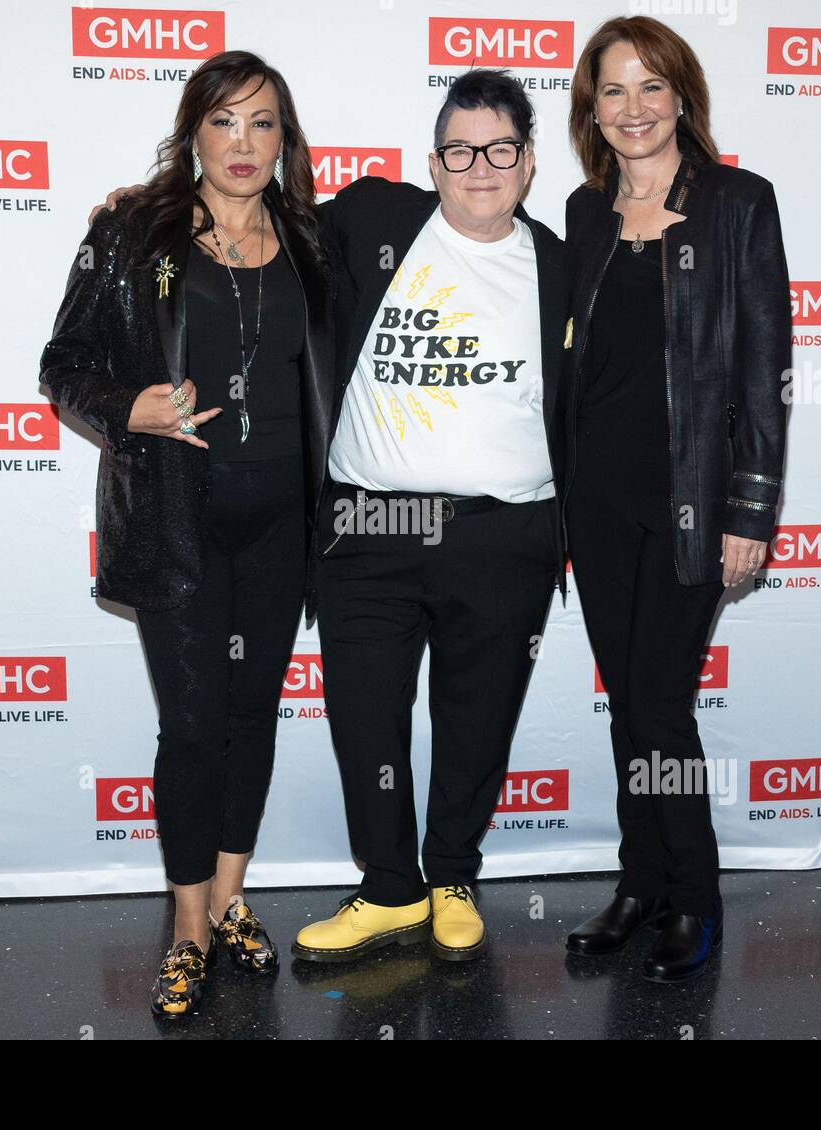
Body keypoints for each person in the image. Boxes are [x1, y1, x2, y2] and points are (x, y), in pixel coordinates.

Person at [40, 50, 334, 1019]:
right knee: (192, 723)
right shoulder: (137, 230)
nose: (244, 143)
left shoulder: (308, 235)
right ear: (193, 131)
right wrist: (133, 406)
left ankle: (231, 895)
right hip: (178, 519)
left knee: (252, 717)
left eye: (263, 123)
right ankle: (185, 926)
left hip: (282, 523)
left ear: (283, 139)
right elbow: (64, 359)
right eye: (224, 121)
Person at [289, 69, 571, 963]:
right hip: (369, 529)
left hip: (505, 534)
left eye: (499, 150)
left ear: (528, 164)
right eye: (459, 149)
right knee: (365, 719)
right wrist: (154, 211)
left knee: (476, 714)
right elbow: (262, 221)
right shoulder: (375, 222)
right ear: (433, 161)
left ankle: (450, 874)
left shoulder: (561, 267)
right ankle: (389, 889)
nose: (478, 166)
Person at [558, 16, 790, 981]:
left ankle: (693, 892)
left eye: (651, 87)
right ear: (591, 110)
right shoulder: (582, 211)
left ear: (682, 97)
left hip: (693, 499)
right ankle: (640, 878)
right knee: (629, 704)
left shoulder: (738, 204)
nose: (633, 108)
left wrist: (751, 512)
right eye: (613, 91)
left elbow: (765, 368)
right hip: (597, 500)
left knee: (660, 704)